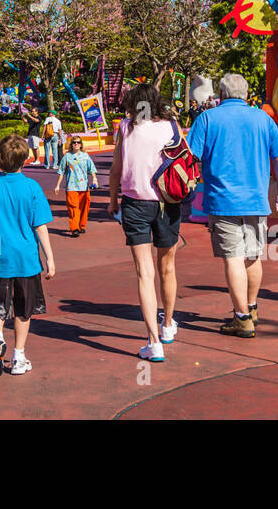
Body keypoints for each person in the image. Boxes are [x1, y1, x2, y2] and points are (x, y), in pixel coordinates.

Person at [185, 73, 278, 339]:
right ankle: (252, 308)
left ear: (221, 93)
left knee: (233, 257)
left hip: (222, 202)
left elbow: (189, 158)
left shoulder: (207, 119)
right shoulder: (263, 119)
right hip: (256, 200)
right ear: (245, 93)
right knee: (253, 255)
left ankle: (242, 318)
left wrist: (188, 185)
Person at [0, 135, 56, 377]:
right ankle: (18, 356)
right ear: (25, 160)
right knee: (23, 309)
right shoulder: (32, 188)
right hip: (25, 258)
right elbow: (40, 226)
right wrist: (49, 257)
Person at [107, 82, 183, 361]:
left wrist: (113, 200)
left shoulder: (126, 127)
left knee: (144, 272)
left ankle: (153, 343)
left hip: (135, 203)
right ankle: (167, 325)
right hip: (168, 202)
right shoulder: (171, 125)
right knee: (168, 267)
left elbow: (116, 169)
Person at [53, 136, 98, 236]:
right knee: (73, 208)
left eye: (78, 142)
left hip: (84, 187)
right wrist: (57, 185)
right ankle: (74, 228)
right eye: (74, 142)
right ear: (71, 144)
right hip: (71, 187)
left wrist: (94, 178)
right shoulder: (67, 156)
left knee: (84, 208)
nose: (76, 144)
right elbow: (61, 171)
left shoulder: (86, 156)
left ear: (81, 144)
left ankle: (82, 225)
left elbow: (92, 169)